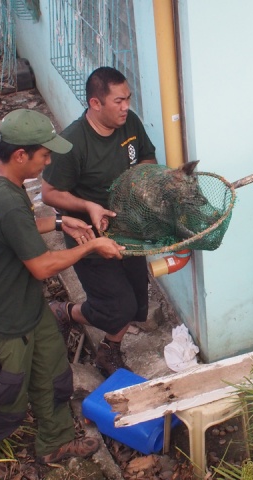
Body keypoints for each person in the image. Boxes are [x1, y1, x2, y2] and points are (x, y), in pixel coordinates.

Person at [0, 109, 125, 462]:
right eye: (44, 154)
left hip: (31, 311)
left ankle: (55, 443)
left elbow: (25, 226)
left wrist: (63, 222)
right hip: (2, 323)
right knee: (4, 400)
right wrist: (91, 244)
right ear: (20, 155)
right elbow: (42, 267)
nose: (48, 161)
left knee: (54, 378)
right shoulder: (5, 201)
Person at [41, 66, 157, 378]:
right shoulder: (71, 143)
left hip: (129, 228)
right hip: (88, 234)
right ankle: (71, 316)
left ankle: (106, 348)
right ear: (95, 104)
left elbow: (148, 158)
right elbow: (49, 193)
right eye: (118, 101)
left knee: (135, 301)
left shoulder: (129, 123)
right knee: (116, 305)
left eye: (128, 99)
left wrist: (139, 180)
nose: (125, 107)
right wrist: (89, 205)